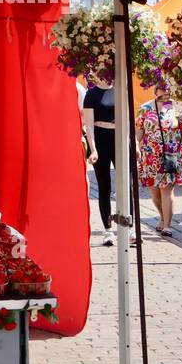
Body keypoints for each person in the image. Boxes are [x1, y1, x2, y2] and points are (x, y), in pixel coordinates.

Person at [135, 89, 182, 238]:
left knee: (166, 190)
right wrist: (136, 147)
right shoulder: (145, 109)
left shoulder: (179, 107)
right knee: (155, 193)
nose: (166, 91)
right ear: (156, 91)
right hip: (150, 156)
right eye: (163, 88)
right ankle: (162, 217)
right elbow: (139, 132)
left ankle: (167, 225)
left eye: (169, 88)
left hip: (172, 155)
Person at [82, 77, 120, 247]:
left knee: (126, 186)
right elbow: (89, 125)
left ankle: (130, 229)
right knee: (105, 187)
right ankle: (108, 230)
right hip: (100, 138)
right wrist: (93, 149)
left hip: (119, 138)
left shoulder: (120, 90)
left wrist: (133, 145)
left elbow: (126, 120)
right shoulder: (91, 94)